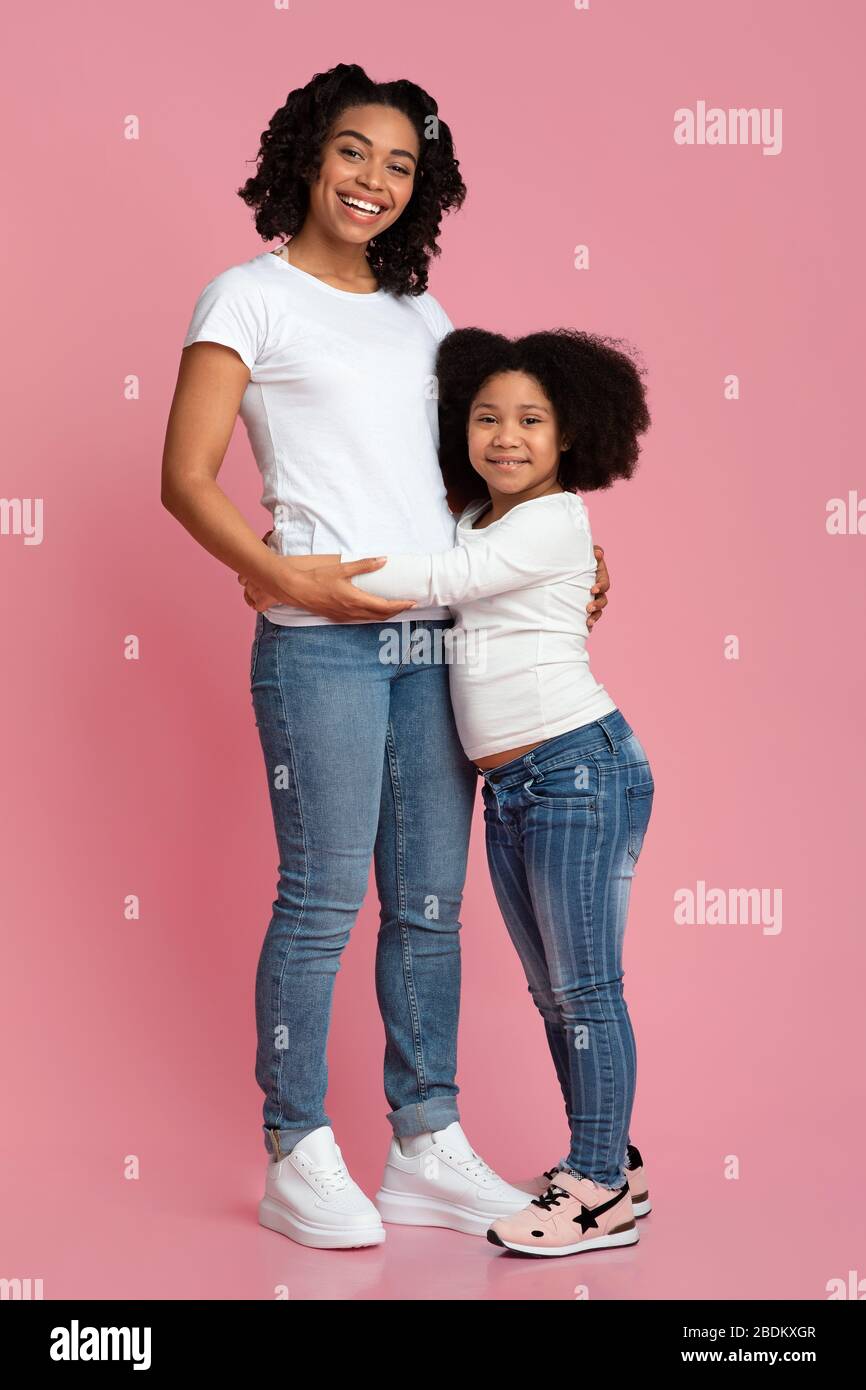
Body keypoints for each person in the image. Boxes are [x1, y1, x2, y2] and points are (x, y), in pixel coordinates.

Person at [161, 63, 611, 1251]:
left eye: (403, 165)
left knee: (426, 904)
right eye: (355, 152)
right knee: (319, 899)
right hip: (318, 645)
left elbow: (469, 483)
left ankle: (423, 1141)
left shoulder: (424, 316)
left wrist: (566, 559)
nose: (374, 180)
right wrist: (278, 570)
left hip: (433, 644)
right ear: (309, 156)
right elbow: (183, 477)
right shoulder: (245, 297)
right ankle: (295, 1146)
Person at [317, 326, 656, 1257]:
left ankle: (594, 1193)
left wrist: (300, 572)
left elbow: (446, 580)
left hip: (578, 772)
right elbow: (448, 554)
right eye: (486, 417)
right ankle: (612, 1165)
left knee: (586, 990)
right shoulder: (481, 518)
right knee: (557, 995)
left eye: (532, 420)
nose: (506, 436)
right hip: (515, 790)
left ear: (572, 433)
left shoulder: (556, 520)